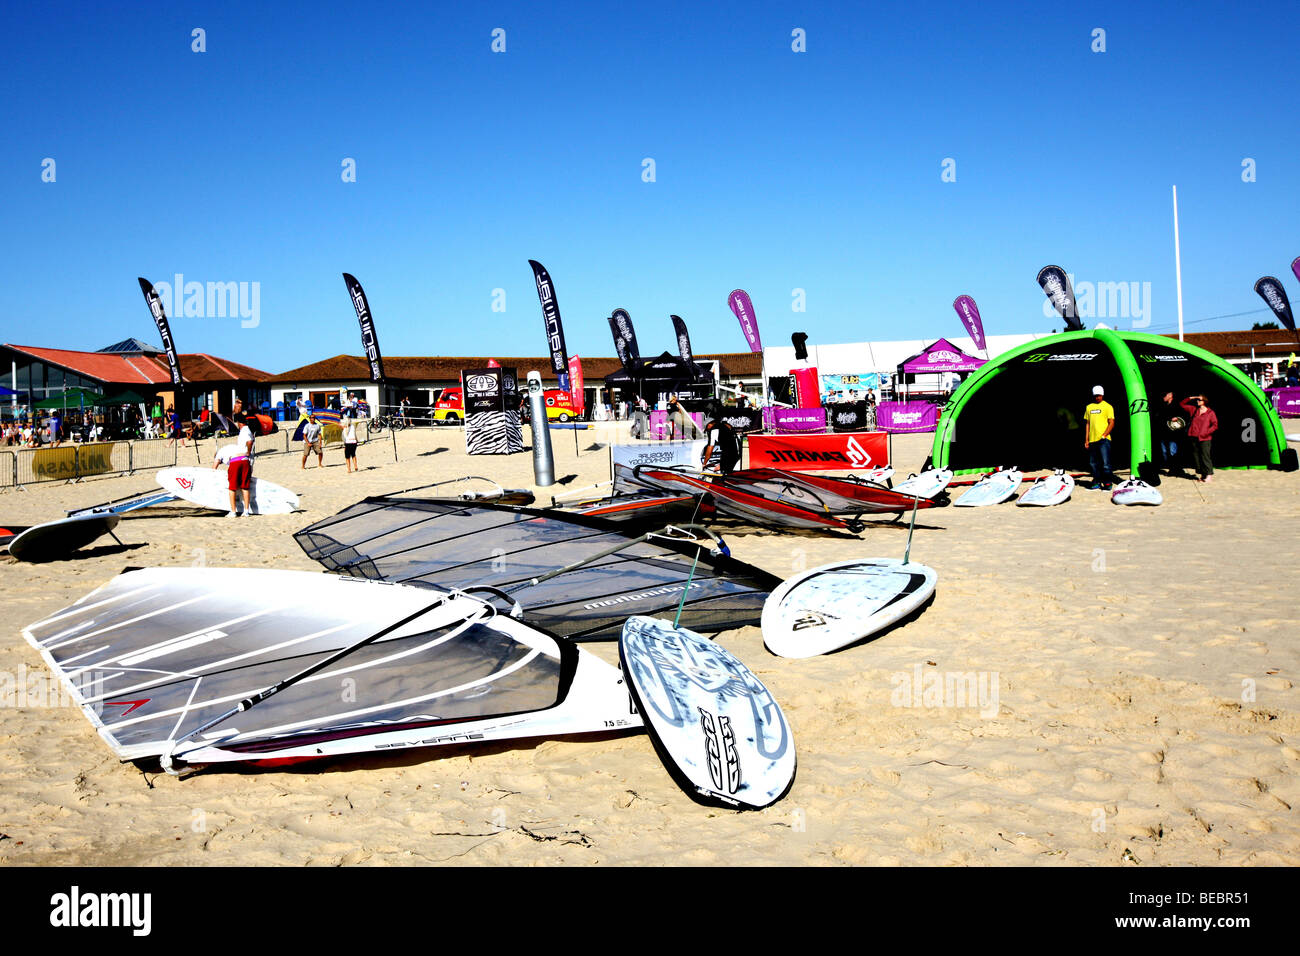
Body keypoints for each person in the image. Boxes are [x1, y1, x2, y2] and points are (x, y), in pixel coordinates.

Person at [1083, 385, 1115, 490]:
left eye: (1099, 395)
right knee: (1093, 463)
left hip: (1103, 440)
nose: (1097, 397)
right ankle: (1096, 482)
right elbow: (1087, 424)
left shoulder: (1108, 406)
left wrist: (1104, 435)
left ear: (1102, 395)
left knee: (1106, 463)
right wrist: (1086, 440)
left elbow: (1111, 422)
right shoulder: (1089, 407)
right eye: (1096, 395)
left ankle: (1107, 483)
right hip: (1092, 439)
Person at [1180, 393, 1218, 482]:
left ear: (1204, 401)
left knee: (1205, 457)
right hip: (1193, 436)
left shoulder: (1210, 413)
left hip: (1205, 438)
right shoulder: (1194, 410)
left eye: (1199, 400)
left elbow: (1215, 425)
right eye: (1197, 400)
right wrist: (1193, 397)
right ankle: (1203, 475)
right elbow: (1182, 404)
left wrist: (1206, 432)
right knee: (1197, 458)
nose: (1197, 401)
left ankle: (1209, 475)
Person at [224, 413, 256, 516]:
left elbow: (250, 442)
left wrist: (248, 451)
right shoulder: (248, 430)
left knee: (232, 487)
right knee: (245, 487)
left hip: (237, 460)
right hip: (245, 461)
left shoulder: (244, 430)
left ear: (239, 422)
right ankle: (246, 511)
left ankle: (233, 511)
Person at [701, 403, 742, 475]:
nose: (707, 431)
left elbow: (710, 448)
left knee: (724, 474)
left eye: (707, 429)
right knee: (728, 471)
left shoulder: (713, 430)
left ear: (709, 425)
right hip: (738, 450)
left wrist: (704, 463)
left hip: (730, 453)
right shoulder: (725, 425)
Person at [1155, 390, 1186, 476]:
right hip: (1163, 433)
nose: (1164, 396)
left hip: (1172, 434)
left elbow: (1182, 419)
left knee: (1172, 451)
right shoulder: (1163, 406)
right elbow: (1160, 417)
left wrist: (1176, 417)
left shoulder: (1176, 406)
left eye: (1166, 394)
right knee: (1164, 452)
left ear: (1171, 396)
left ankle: (1174, 469)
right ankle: (1173, 467)